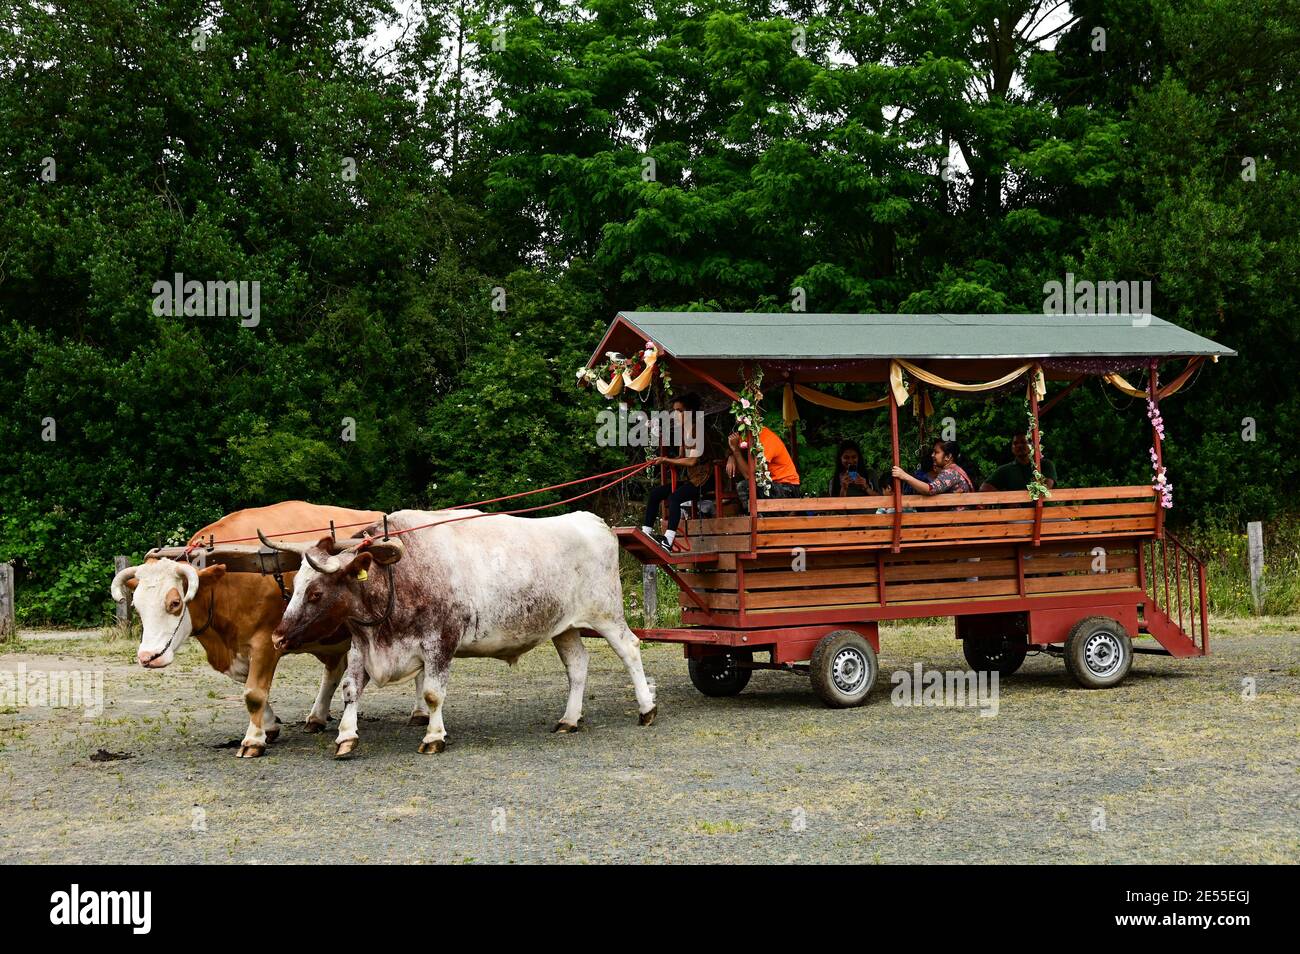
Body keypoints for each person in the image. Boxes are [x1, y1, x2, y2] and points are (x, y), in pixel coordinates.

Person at [641, 393, 712, 551]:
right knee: (656, 494)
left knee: (675, 498)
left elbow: (691, 461)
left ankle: (668, 539)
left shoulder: (696, 430)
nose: (676, 414)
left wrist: (666, 460)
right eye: (674, 411)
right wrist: (661, 458)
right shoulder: (683, 432)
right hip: (691, 478)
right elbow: (682, 457)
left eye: (679, 411)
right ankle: (645, 534)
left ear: (689, 412)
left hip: (704, 480)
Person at [728, 422, 800, 512]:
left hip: (787, 488)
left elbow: (750, 476)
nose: (738, 421)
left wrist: (736, 452)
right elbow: (733, 446)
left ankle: (756, 520)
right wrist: (731, 456)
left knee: (744, 486)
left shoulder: (766, 438)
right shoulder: (748, 435)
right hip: (770, 485)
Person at [891, 440, 974, 499]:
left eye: (936, 452)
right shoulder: (954, 470)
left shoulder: (950, 473)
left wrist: (904, 476)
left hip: (955, 521)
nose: (932, 455)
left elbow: (930, 489)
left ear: (948, 456)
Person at [980, 432, 1057, 492]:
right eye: (1015, 443)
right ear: (1012, 448)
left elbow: (1046, 487)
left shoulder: (1045, 464)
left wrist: (1020, 496)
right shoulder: (1006, 470)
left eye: (1023, 442)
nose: (1019, 446)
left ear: (1032, 445)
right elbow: (984, 488)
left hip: (1044, 512)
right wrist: (1007, 499)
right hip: (1015, 512)